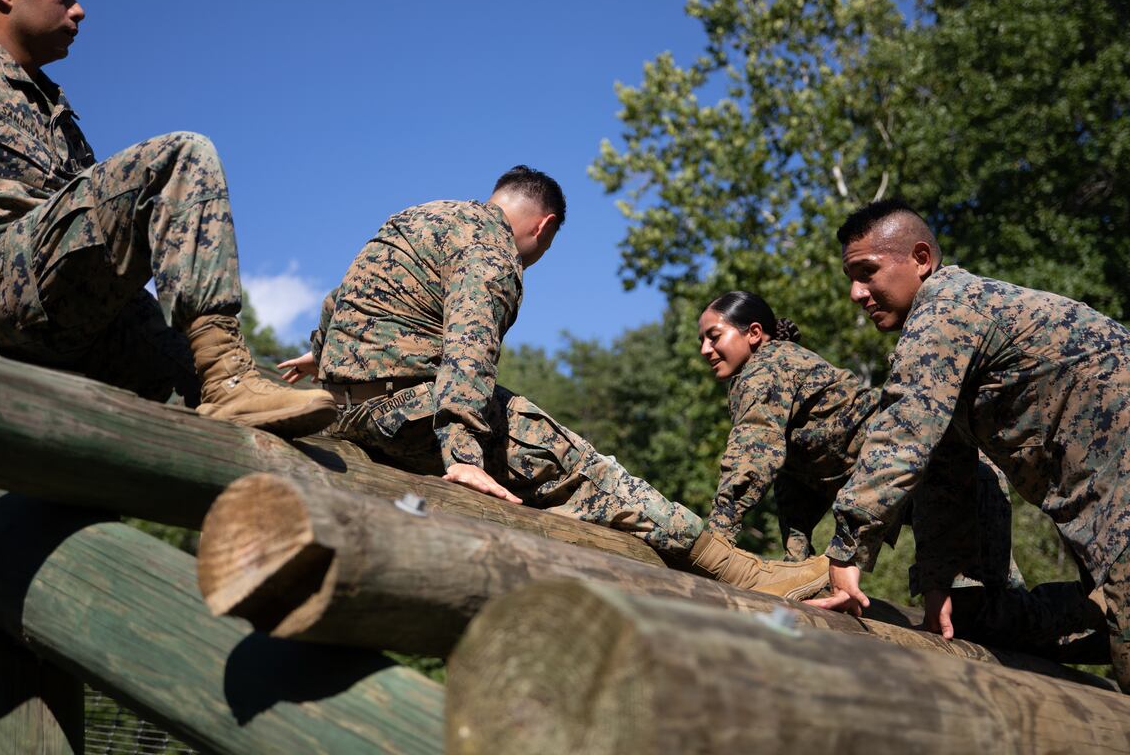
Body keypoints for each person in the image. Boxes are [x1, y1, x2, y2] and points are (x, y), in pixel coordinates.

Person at [279, 166, 829, 598]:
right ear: (543, 227)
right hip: (410, 415)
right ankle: (738, 569)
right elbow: (468, 350)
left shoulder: (421, 217)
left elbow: (344, 292)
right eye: (547, 245)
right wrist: (462, 456)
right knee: (593, 473)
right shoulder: (493, 254)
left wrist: (322, 351)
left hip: (346, 409)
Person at [0, 0, 336, 435]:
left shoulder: (60, 115)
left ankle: (237, 386)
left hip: (66, 304)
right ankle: (228, 381)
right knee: (179, 156)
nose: (78, 10)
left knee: (220, 377)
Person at [810, 198, 1128, 687]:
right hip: (1106, 524)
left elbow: (903, 434)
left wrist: (846, 552)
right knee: (987, 620)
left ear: (920, 259)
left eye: (867, 272)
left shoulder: (947, 309)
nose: (856, 293)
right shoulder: (958, 341)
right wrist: (941, 581)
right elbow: (946, 469)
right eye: (850, 278)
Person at [701, 289, 1105, 654]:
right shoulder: (772, 378)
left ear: (754, 333)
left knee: (979, 622)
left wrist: (714, 539)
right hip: (937, 492)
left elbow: (753, 454)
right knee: (986, 622)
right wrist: (797, 566)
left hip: (955, 484)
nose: (704, 349)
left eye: (714, 335)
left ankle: (1104, 606)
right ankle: (1094, 619)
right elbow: (796, 487)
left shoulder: (767, 367)